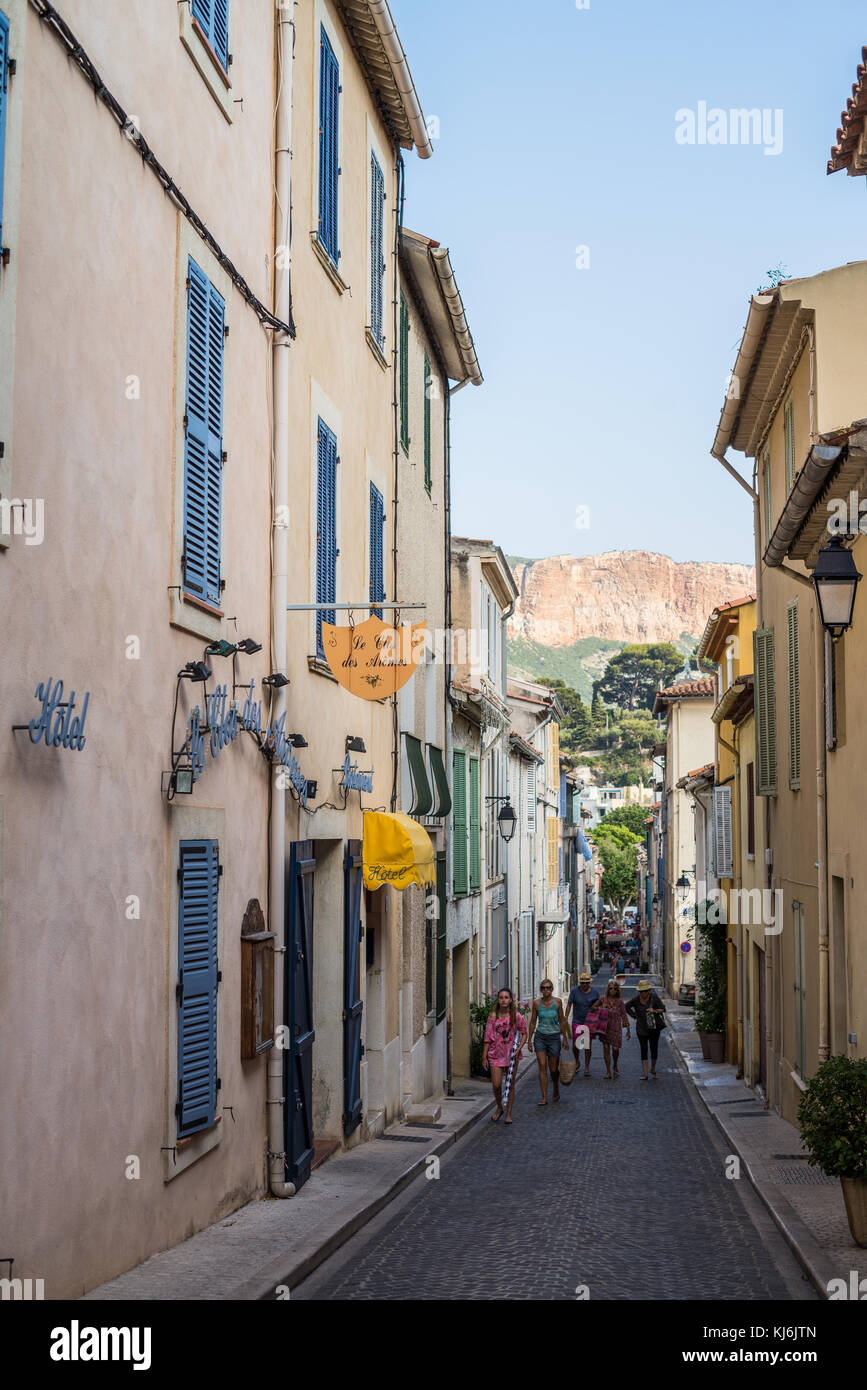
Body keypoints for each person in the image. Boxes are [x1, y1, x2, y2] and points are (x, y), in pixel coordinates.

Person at [483, 988, 527, 1124]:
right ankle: (499, 1107)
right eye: (501, 997)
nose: (503, 1000)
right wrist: (484, 1056)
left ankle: (508, 1114)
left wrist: (519, 1048)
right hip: (495, 1054)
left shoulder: (516, 1016)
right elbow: (487, 1038)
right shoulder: (493, 1016)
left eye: (506, 997)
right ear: (498, 1000)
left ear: (510, 1000)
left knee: (510, 1084)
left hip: (511, 1055)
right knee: (496, 1085)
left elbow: (524, 1032)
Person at [526, 980, 571, 1105]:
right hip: (540, 1037)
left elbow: (562, 1020)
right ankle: (544, 1097)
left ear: (552, 989)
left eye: (548, 988)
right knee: (542, 1066)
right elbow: (533, 1022)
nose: (546, 990)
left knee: (553, 1069)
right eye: (543, 988)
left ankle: (555, 1087)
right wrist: (529, 1040)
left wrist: (565, 1038)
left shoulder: (557, 1002)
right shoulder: (536, 1003)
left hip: (554, 1038)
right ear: (541, 989)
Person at [625, 980, 666, 1080]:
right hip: (641, 1028)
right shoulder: (636, 1000)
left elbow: (663, 1009)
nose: (644, 993)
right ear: (639, 992)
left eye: (646, 991)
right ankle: (645, 1074)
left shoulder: (654, 998)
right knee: (644, 1050)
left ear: (649, 990)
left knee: (654, 1049)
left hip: (654, 1028)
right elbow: (626, 1007)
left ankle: (652, 1069)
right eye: (641, 991)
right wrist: (634, 1016)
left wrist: (654, 1010)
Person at [564, 970, 600, 1077]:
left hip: (589, 1022)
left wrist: (596, 1011)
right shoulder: (574, 991)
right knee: (576, 1045)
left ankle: (587, 1067)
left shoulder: (594, 992)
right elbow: (569, 1005)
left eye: (587, 983)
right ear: (580, 983)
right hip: (577, 1021)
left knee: (587, 1046)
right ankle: (577, 1061)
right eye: (582, 983)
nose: (584, 985)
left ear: (590, 983)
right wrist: (565, 1017)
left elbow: (599, 1005)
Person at [599, 978, 630, 1078]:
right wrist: (601, 1007)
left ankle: (615, 1065)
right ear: (608, 989)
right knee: (606, 1048)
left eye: (615, 989)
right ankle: (608, 1071)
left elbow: (624, 1016)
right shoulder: (603, 999)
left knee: (615, 1049)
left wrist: (628, 1030)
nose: (612, 990)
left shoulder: (620, 1002)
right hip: (605, 1028)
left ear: (617, 990)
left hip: (616, 1028)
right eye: (611, 988)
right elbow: (592, 1008)